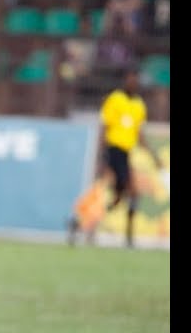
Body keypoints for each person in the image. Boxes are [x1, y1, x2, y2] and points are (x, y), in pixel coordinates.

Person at [67, 68, 163, 248]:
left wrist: (153, 156)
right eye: (130, 79)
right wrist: (102, 155)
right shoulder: (115, 100)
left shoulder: (139, 105)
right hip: (113, 151)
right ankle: (127, 238)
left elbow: (139, 134)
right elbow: (105, 127)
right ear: (125, 80)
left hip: (125, 153)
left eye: (135, 79)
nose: (133, 82)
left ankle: (79, 224)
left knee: (118, 197)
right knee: (128, 192)